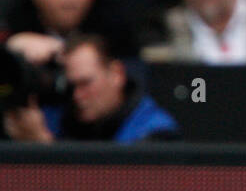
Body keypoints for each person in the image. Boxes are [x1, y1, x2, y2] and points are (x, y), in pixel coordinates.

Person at [3, 34, 179, 143]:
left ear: (116, 74)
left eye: (86, 83)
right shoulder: (55, 115)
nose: (78, 96)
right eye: (71, 86)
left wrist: (42, 145)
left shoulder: (154, 131)